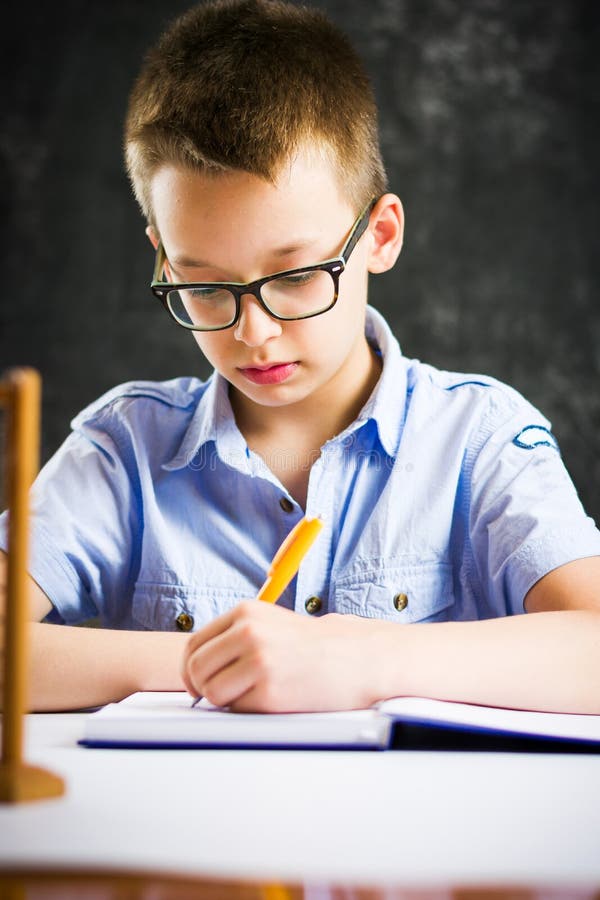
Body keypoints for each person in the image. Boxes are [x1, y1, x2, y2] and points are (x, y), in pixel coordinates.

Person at [1, 0, 599, 714]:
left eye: (294, 276)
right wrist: (212, 658)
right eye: (204, 285)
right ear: (163, 259)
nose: (253, 332)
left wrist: (362, 658)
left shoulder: (478, 436)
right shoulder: (126, 449)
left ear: (379, 235)